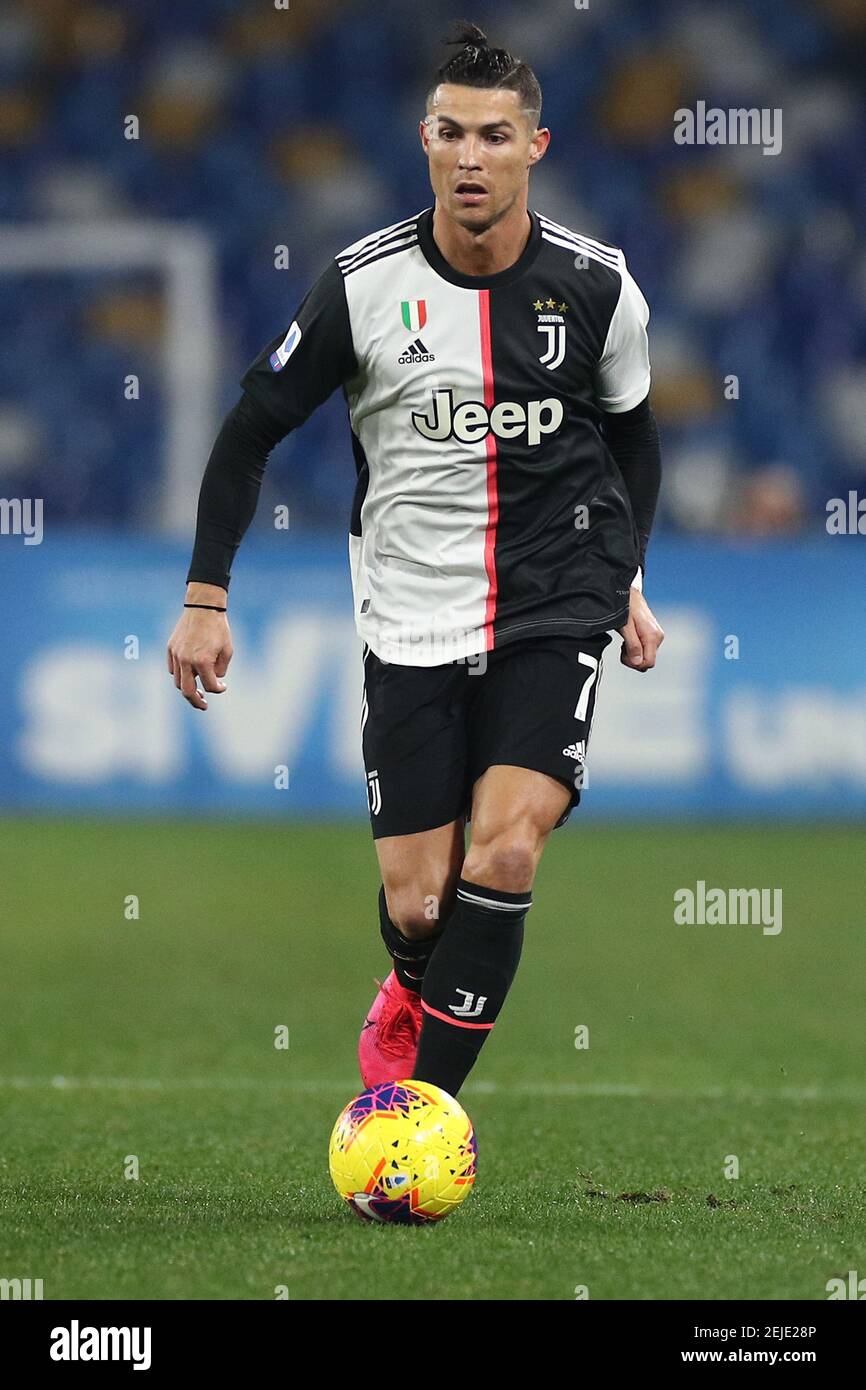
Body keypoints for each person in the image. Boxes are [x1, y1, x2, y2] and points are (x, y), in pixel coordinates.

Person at [166, 21, 664, 1099]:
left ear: (535, 145)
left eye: (494, 134)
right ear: (423, 140)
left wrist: (623, 573)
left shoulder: (597, 290)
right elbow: (250, 430)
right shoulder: (360, 288)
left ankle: (418, 1115)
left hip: (553, 593)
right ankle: (408, 982)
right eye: (451, 133)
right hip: (408, 609)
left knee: (509, 847)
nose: (470, 156)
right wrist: (207, 594)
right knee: (419, 904)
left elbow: (630, 436)